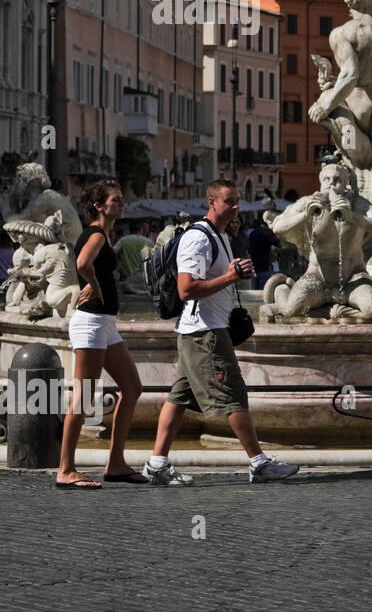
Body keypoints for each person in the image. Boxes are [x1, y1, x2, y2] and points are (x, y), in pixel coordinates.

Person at [144, 180, 299, 485]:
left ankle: (156, 464)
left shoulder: (221, 235)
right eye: (230, 201)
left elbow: (216, 278)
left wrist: (237, 273)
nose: (236, 207)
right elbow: (186, 289)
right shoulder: (198, 239)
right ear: (212, 203)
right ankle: (259, 463)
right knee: (233, 396)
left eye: (237, 201)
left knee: (178, 399)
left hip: (204, 330)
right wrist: (230, 276)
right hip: (205, 334)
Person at [56, 180, 144, 489]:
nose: (122, 203)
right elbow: (82, 263)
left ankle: (116, 463)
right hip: (91, 323)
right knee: (82, 398)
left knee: (132, 388)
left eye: (121, 198)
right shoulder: (94, 234)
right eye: (116, 200)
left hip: (104, 323)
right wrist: (92, 283)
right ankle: (65, 469)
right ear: (99, 206)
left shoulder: (105, 234)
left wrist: (95, 281)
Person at [247, 218, 279, 289]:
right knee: (264, 289)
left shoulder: (252, 234)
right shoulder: (266, 233)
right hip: (265, 265)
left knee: (255, 287)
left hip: (254, 264)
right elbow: (277, 242)